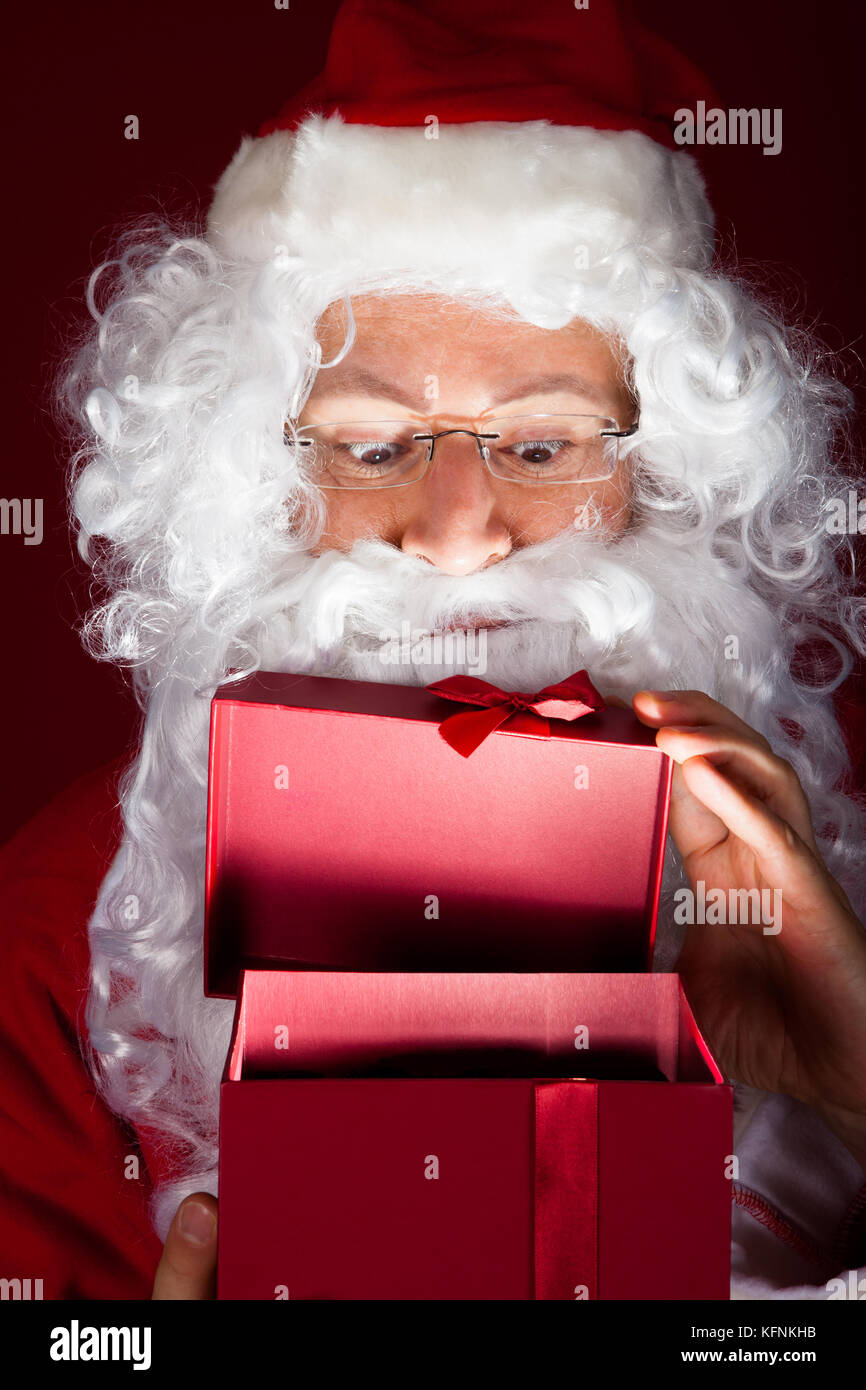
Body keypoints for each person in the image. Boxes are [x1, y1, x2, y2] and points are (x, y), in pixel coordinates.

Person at [2, 0, 865, 1301]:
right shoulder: (58, 930)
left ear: (665, 476)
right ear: (256, 485)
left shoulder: (808, 897)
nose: (459, 537)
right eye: (370, 446)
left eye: (538, 445)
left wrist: (855, 1106)